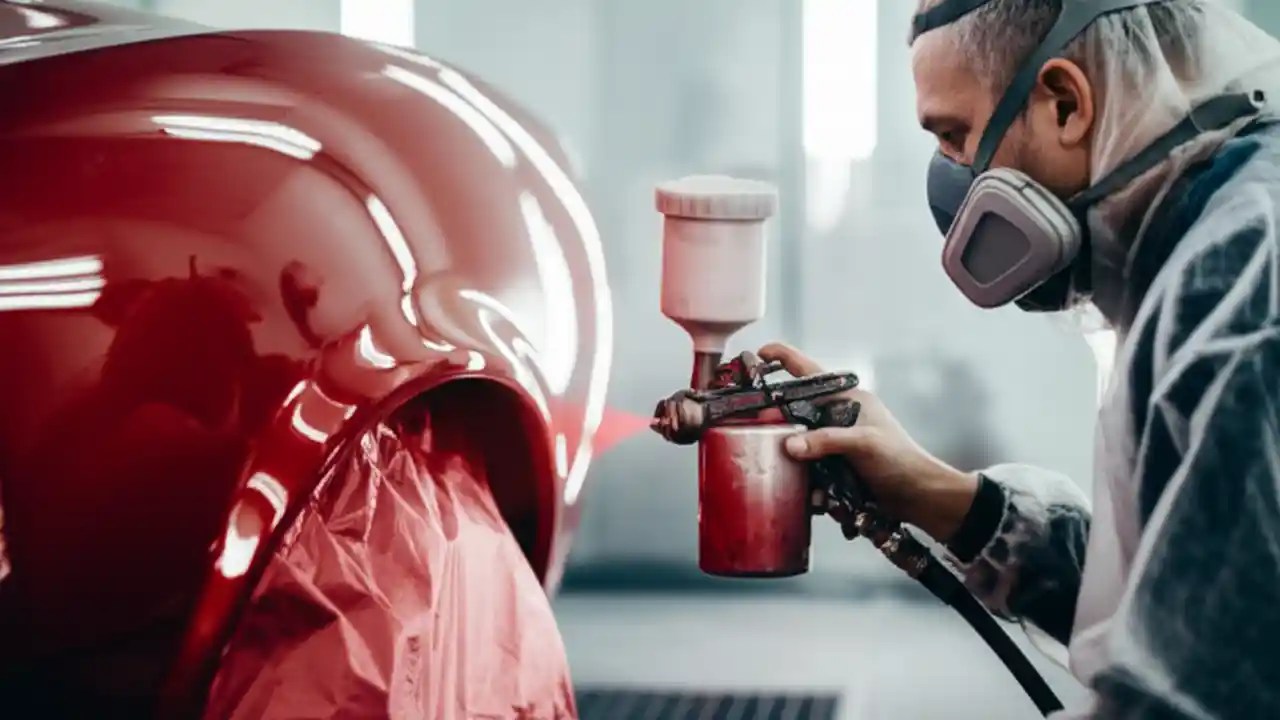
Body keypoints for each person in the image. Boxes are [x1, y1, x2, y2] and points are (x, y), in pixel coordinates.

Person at [764, 0, 1280, 717]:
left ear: (1066, 103)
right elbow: (1175, 608)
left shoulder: (1241, 284)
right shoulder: (1212, 239)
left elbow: (1199, 697)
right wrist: (936, 496)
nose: (950, 180)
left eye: (956, 135)